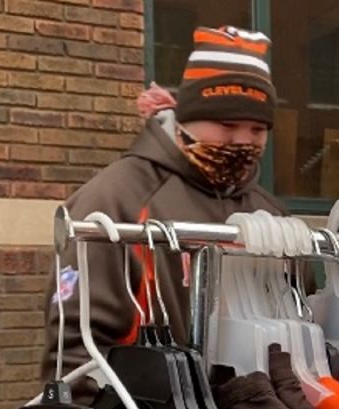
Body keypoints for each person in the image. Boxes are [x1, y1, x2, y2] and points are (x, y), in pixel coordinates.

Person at [41, 25, 285, 382]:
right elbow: (76, 347)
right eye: (227, 124)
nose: (242, 142)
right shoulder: (113, 200)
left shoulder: (271, 214)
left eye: (258, 130)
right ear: (186, 118)